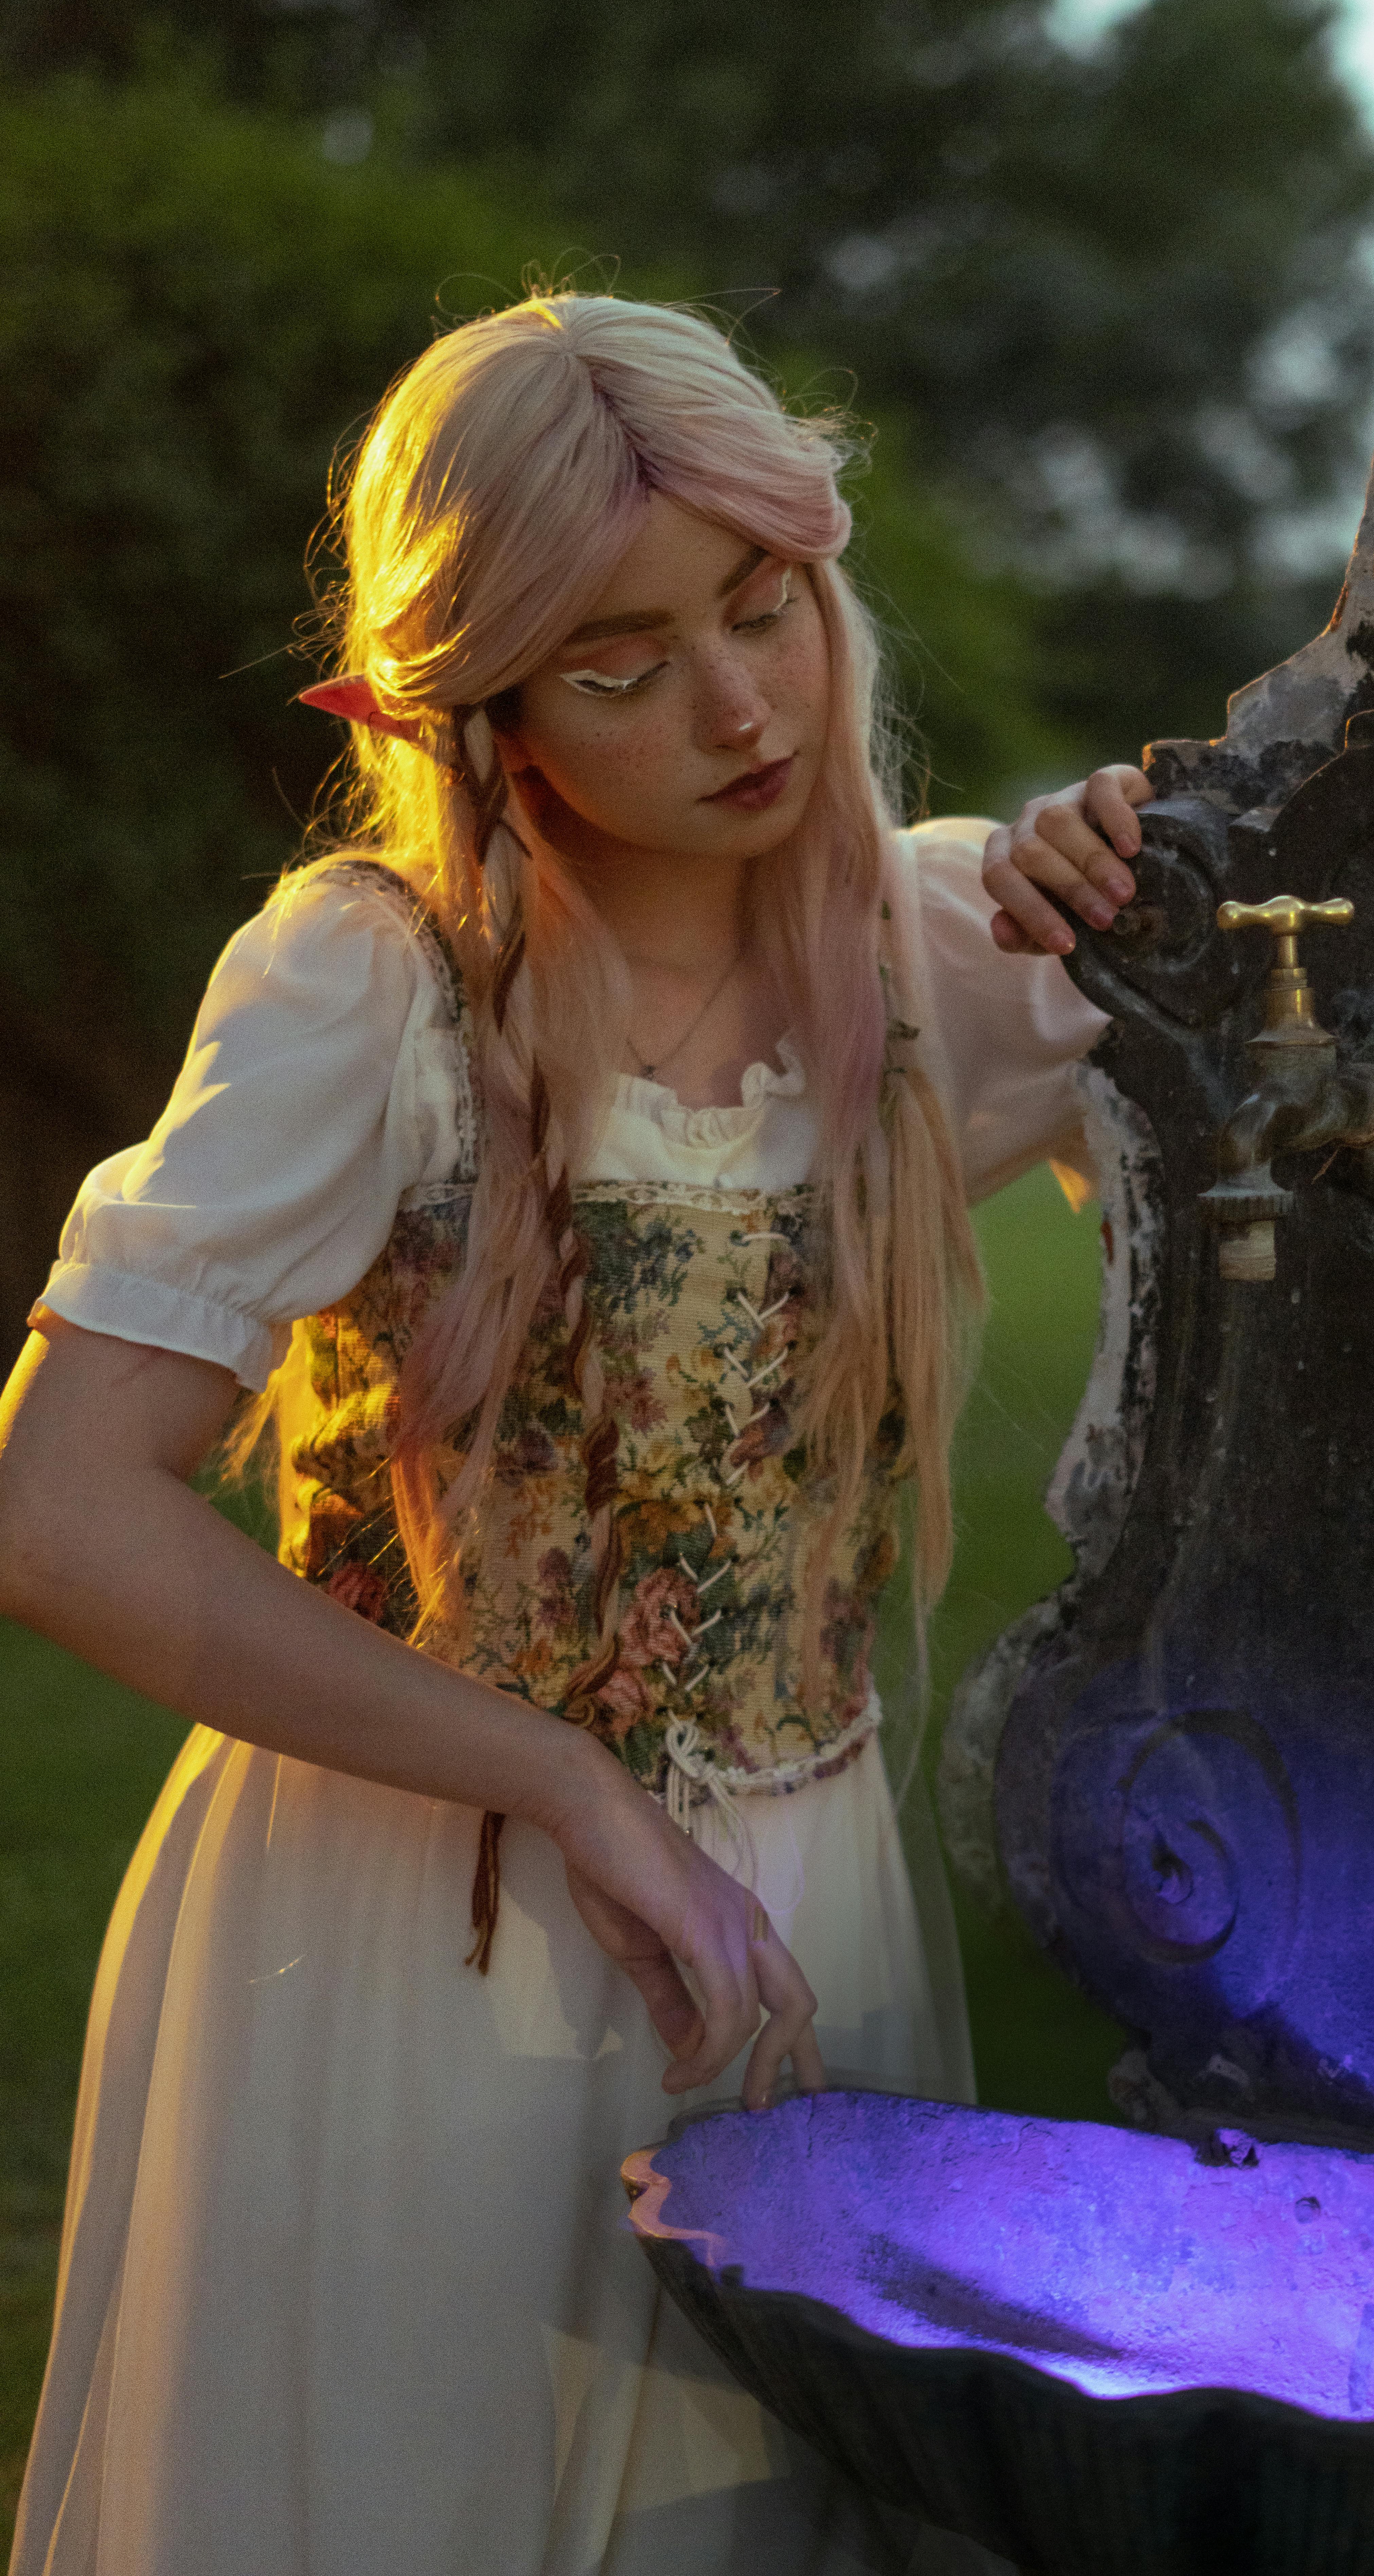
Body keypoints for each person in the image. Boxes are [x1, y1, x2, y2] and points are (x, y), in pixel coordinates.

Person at [0, 293, 1154, 2576]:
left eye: (762, 614)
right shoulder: (375, 987)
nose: (737, 707)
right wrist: (561, 1775)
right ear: (478, 706)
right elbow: (58, 1508)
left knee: (768, 2513)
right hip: (405, 1926)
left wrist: (1166, 881)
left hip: (808, 1920)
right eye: (621, 665)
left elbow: (1331, 1126)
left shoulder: (937, 960)